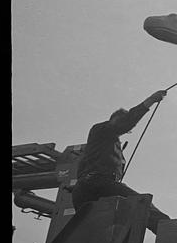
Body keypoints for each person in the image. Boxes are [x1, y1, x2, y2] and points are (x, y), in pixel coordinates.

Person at [70, 91, 171, 233]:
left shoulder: (102, 144)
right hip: (98, 184)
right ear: (114, 119)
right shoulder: (100, 129)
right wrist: (150, 100)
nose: (125, 130)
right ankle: (170, 230)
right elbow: (126, 122)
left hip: (87, 189)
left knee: (93, 234)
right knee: (141, 205)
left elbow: (82, 168)